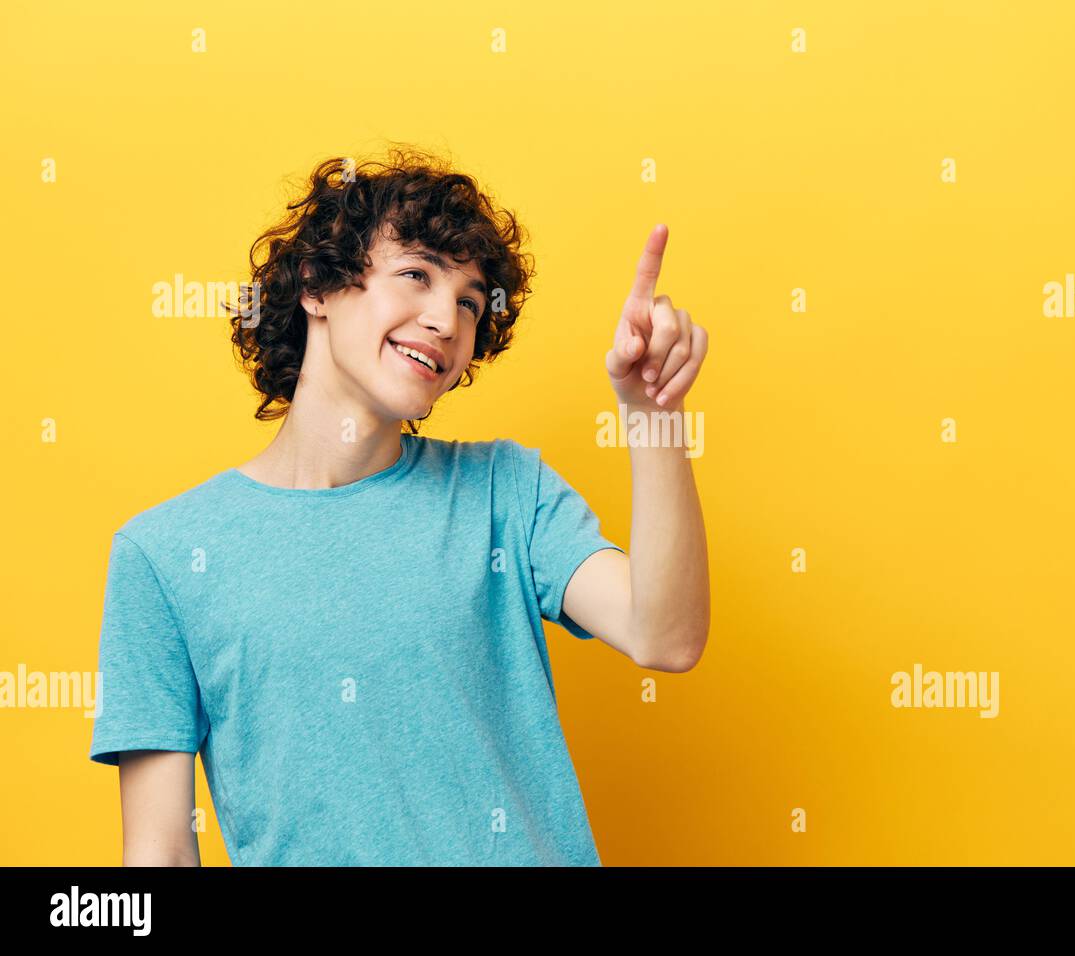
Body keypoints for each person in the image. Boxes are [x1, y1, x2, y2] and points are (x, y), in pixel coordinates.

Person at [88, 146, 710, 865]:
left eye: (471, 303)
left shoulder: (506, 491)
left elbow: (665, 637)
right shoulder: (162, 557)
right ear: (317, 286)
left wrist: (652, 412)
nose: (447, 321)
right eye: (416, 275)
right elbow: (158, 856)